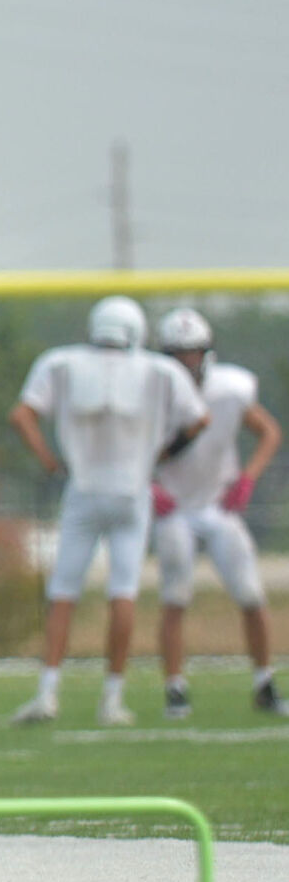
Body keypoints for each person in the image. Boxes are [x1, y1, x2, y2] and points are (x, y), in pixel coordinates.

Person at [8, 296, 208, 726]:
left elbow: (21, 415)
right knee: (123, 593)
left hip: (82, 488)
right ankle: (112, 699)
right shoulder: (159, 369)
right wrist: (161, 453)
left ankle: (48, 692)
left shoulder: (62, 363)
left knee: (63, 593)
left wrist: (47, 459)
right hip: (132, 491)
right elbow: (198, 420)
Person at [150, 307, 287, 718]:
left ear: (206, 352)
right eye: (178, 353)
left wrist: (247, 478)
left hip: (217, 503)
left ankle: (264, 681)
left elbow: (269, 431)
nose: (186, 362)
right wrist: (148, 486)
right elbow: (129, 450)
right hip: (174, 507)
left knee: (250, 593)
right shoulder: (153, 393)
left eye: (191, 353)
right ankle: (175, 688)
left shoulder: (230, 388)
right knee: (175, 596)